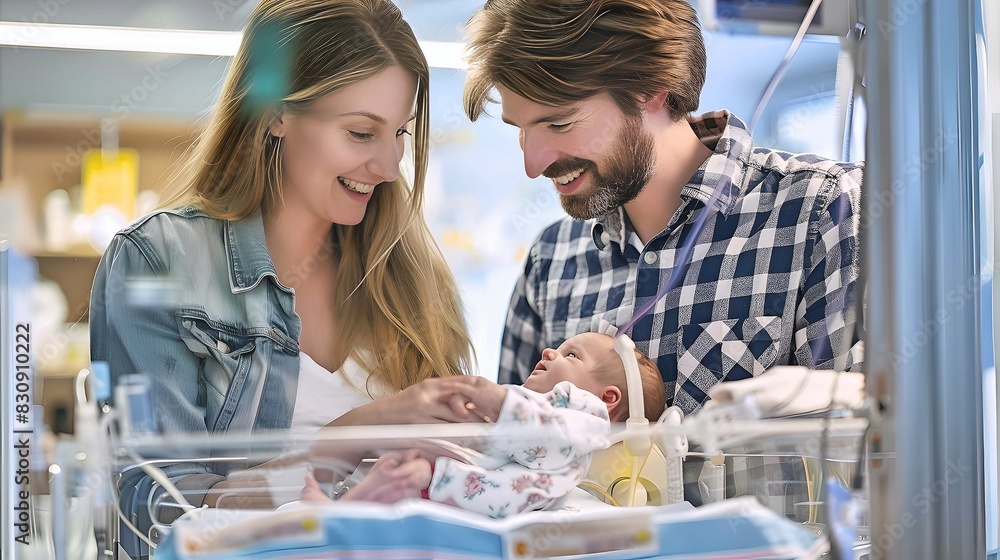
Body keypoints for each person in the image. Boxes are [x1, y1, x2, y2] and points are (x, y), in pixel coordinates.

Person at [89, 0, 483, 510]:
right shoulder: (159, 259)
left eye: (399, 132)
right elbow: (158, 508)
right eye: (361, 133)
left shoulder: (411, 272)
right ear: (275, 114)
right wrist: (355, 433)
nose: (388, 166)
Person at [462, 0, 864, 416]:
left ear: (653, 89)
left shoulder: (823, 209)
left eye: (559, 123)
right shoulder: (551, 260)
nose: (533, 165)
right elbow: (510, 456)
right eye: (521, 130)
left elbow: (873, 446)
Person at [301, 332, 666, 518]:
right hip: (466, 476)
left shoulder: (586, 418)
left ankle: (338, 514)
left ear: (609, 398)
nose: (549, 352)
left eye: (571, 355)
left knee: (409, 477)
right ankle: (340, 510)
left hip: (482, 490)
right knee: (401, 471)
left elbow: (547, 435)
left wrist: (499, 402)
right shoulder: (541, 405)